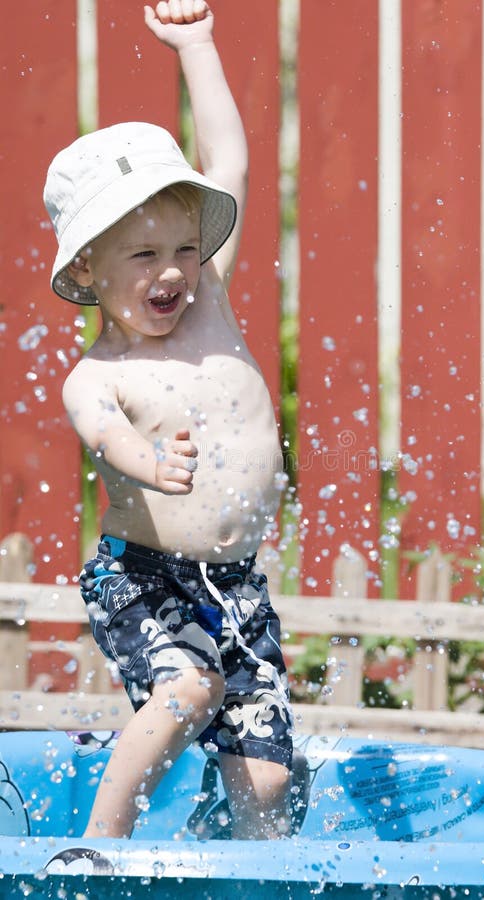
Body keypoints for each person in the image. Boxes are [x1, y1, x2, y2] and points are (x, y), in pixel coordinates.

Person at [43, 0, 292, 840]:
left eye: (185, 249)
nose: (174, 272)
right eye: (144, 255)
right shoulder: (97, 374)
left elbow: (231, 159)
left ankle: (221, 861)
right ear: (90, 267)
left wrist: (198, 46)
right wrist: (148, 460)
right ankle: (99, 844)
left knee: (266, 784)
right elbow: (105, 435)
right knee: (188, 689)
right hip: (142, 576)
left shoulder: (209, 304)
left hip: (240, 584)